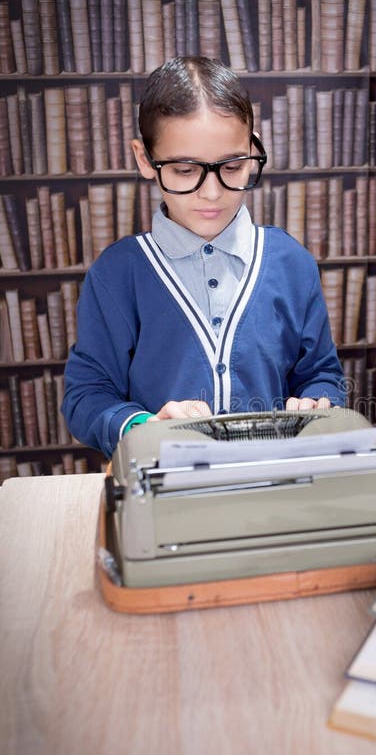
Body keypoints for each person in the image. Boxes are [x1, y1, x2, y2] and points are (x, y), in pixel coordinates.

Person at [62, 55, 346, 458]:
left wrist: (317, 401)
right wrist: (146, 427)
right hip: (167, 490)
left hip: (275, 481)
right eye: (183, 170)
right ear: (145, 160)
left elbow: (321, 374)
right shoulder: (117, 274)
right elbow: (86, 398)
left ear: (253, 149)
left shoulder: (291, 262)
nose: (211, 193)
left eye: (231, 166)